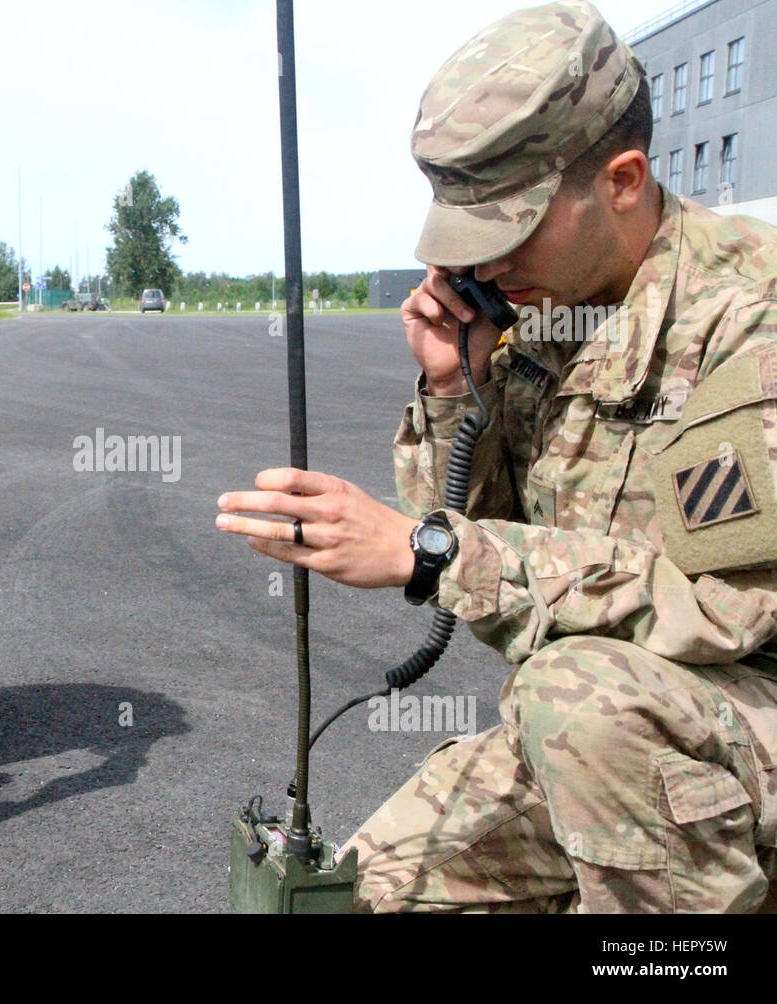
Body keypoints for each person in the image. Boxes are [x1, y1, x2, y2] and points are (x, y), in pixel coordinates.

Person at [216, 0, 777, 912]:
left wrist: (430, 553)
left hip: (716, 713)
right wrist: (453, 388)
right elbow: (492, 526)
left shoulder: (752, 321)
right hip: (593, 734)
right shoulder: (551, 312)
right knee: (346, 902)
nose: (485, 262)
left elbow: (722, 612)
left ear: (625, 180)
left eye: (511, 227)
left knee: (582, 695)